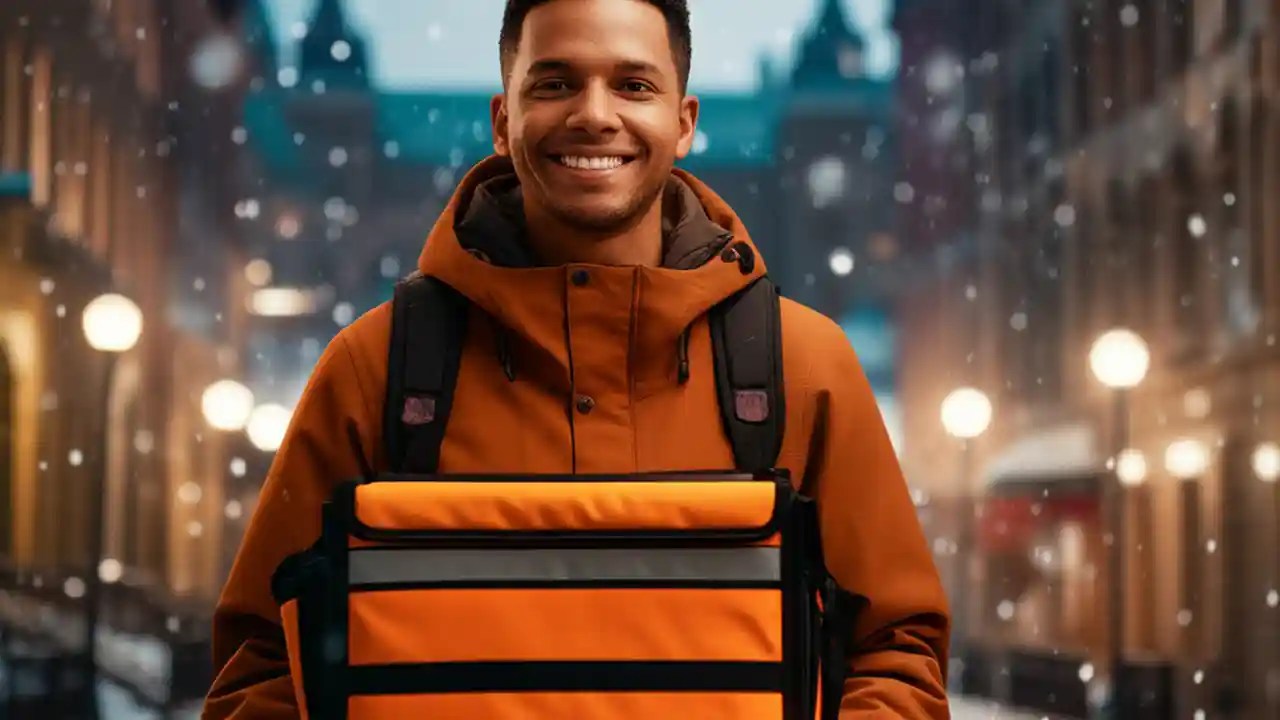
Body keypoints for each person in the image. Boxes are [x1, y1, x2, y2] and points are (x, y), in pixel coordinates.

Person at [202, 0, 951, 717]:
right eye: (556, 82)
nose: (595, 114)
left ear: (684, 122)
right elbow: (261, 666)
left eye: (633, 84)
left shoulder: (804, 366)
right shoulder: (376, 370)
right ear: (503, 120)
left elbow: (896, 648)